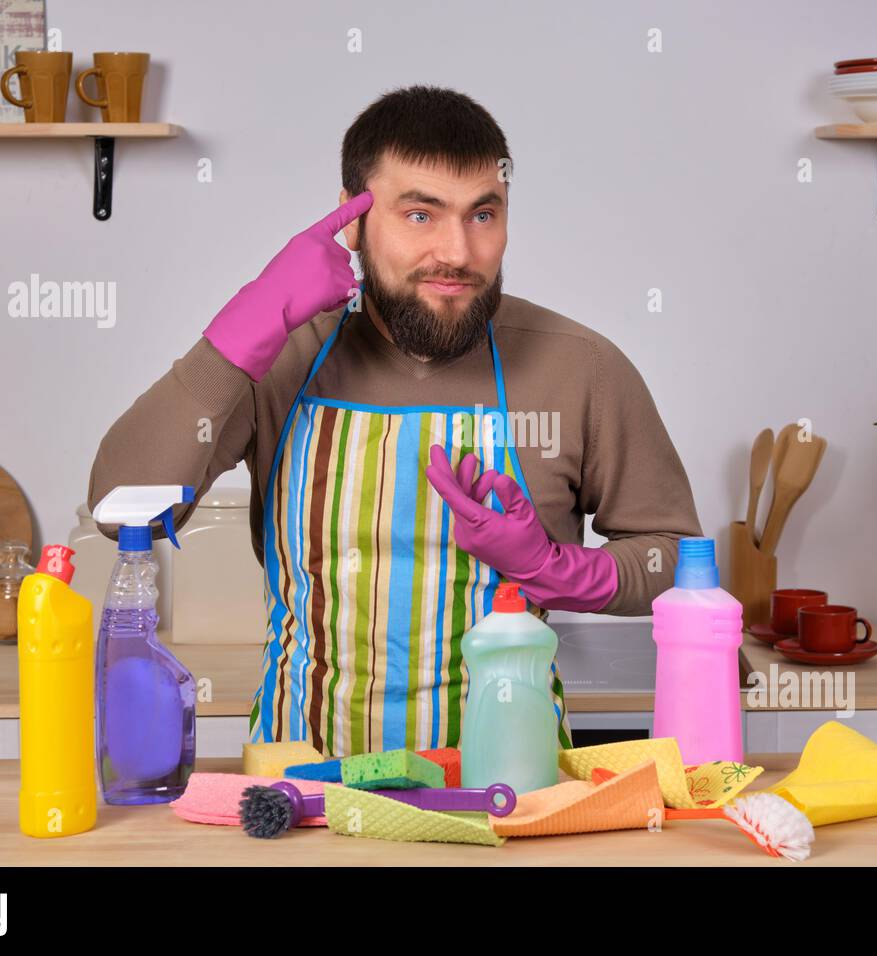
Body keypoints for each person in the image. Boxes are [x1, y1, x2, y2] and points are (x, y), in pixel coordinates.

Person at [88, 84, 703, 758]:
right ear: (353, 223)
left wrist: (560, 569)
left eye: (483, 214)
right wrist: (239, 333)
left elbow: (676, 558)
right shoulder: (283, 356)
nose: (457, 252)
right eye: (419, 215)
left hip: (512, 794)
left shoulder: (580, 367)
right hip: (304, 794)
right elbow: (122, 513)